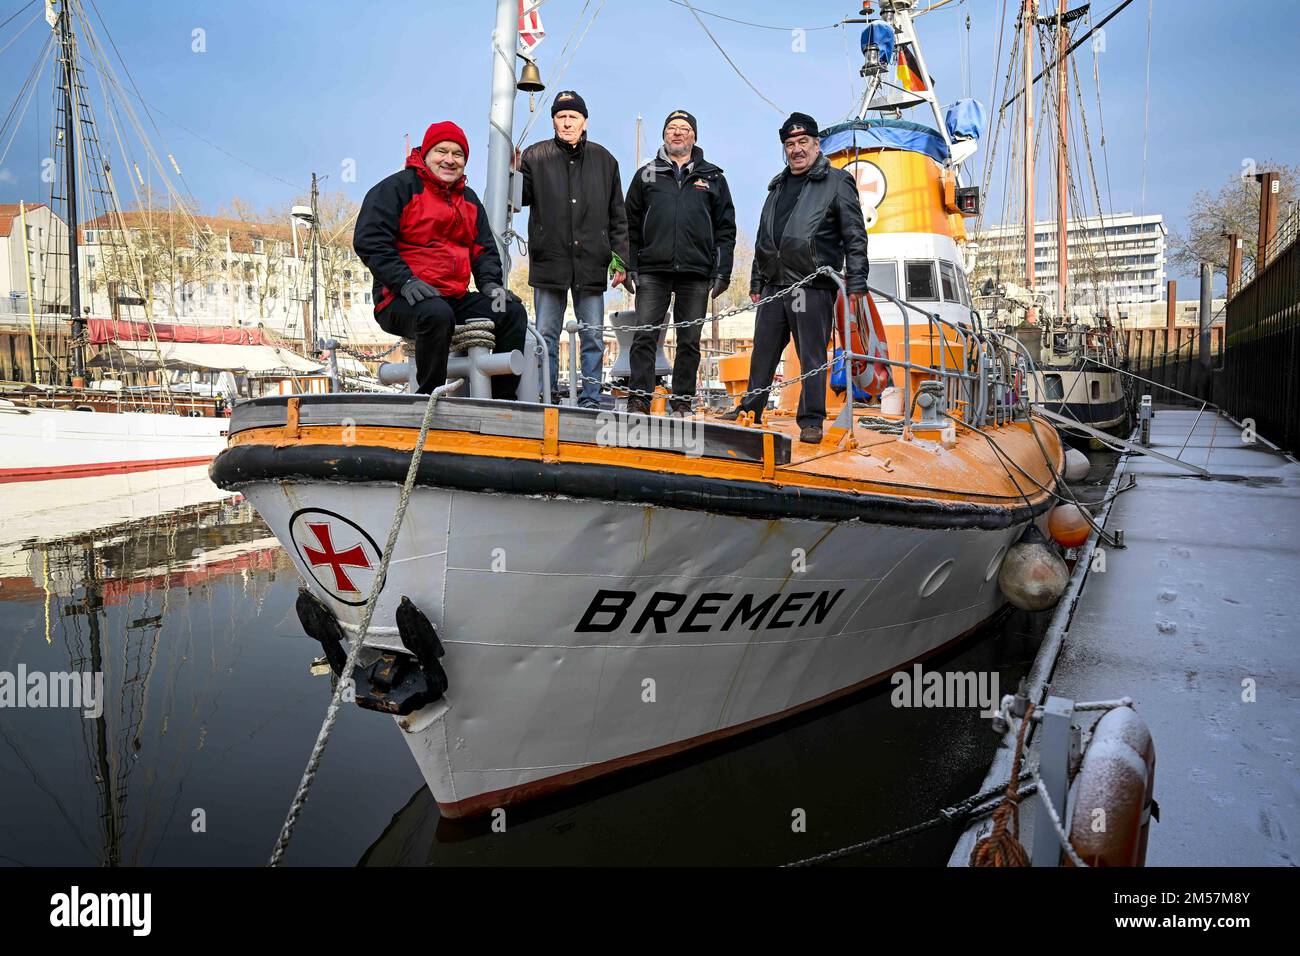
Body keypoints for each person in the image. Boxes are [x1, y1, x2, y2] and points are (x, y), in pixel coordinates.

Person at [354, 120, 526, 397]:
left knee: (511, 311)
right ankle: (430, 398)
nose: (449, 160)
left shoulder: (469, 201)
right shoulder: (398, 189)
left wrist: (492, 285)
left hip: (453, 297)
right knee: (436, 313)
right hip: (399, 298)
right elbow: (370, 240)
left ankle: (502, 399)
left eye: (457, 154)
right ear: (426, 154)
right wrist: (405, 280)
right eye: (441, 151)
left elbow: (483, 250)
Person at [724, 112, 868, 444]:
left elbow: (854, 235)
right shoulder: (777, 185)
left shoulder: (837, 181)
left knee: (811, 354)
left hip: (810, 284)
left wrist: (857, 280)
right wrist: (757, 280)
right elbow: (765, 236)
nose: (797, 149)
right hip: (775, 284)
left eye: (803, 142)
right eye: (790, 144)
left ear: (817, 145)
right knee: (764, 350)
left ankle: (811, 420)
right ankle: (752, 408)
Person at [518, 91, 630, 408]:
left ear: (584, 121)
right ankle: (548, 395)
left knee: (593, 336)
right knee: (546, 336)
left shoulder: (606, 161)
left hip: (592, 261)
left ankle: (591, 398)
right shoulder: (534, 157)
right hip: (549, 260)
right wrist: (511, 169)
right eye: (561, 116)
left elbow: (618, 216)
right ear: (553, 120)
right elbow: (519, 199)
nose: (567, 122)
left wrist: (621, 260)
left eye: (573, 117)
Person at [623, 109, 736, 416]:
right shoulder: (646, 175)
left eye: (684, 129)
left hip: (696, 272)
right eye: (672, 128)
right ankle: (638, 399)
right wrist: (630, 265)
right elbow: (628, 224)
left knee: (689, 340)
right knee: (645, 335)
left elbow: (726, 228)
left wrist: (722, 271)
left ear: (694, 136)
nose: (677, 133)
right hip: (652, 270)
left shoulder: (713, 178)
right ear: (664, 135)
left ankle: (682, 400)